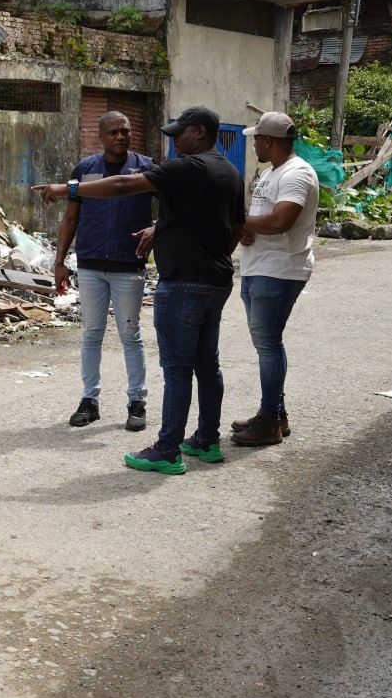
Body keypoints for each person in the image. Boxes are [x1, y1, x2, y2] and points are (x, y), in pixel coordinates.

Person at [33, 106, 245, 475]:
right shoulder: (229, 171)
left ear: (200, 132)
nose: (174, 140)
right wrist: (192, 247)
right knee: (206, 365)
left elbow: (122, 186)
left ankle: (166, 449)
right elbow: (237, 226)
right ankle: (207, 440)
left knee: (177, 369)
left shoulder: (183, 167)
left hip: (182, 283)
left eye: (179, 133)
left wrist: (65, 187)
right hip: (214, 279)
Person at [53, 111, 153, 431]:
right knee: (91, 334)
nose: (121, 137)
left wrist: (158, 228)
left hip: (129, 265)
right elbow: (70, 218)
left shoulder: (146, 169)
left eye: (125, 131)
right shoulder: (85, 170)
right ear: (101, 136)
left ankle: (136, 402)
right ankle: (89, 401)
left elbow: (175, 207)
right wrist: (59, 262)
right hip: (92, 266)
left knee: (130, 335)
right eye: (114, 132)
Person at [230, 111, 319, 447]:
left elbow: (281, 220)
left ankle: (269, 421)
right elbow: (261, 219)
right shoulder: (272, 172)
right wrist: (248, 230)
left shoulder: (297, 173)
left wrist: (244, 226)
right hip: (259, 266)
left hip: (280, 269)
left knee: (268, 345)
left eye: (256, 139)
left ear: (268, 141)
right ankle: (275, 414)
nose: (254, 144)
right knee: (265, 344)